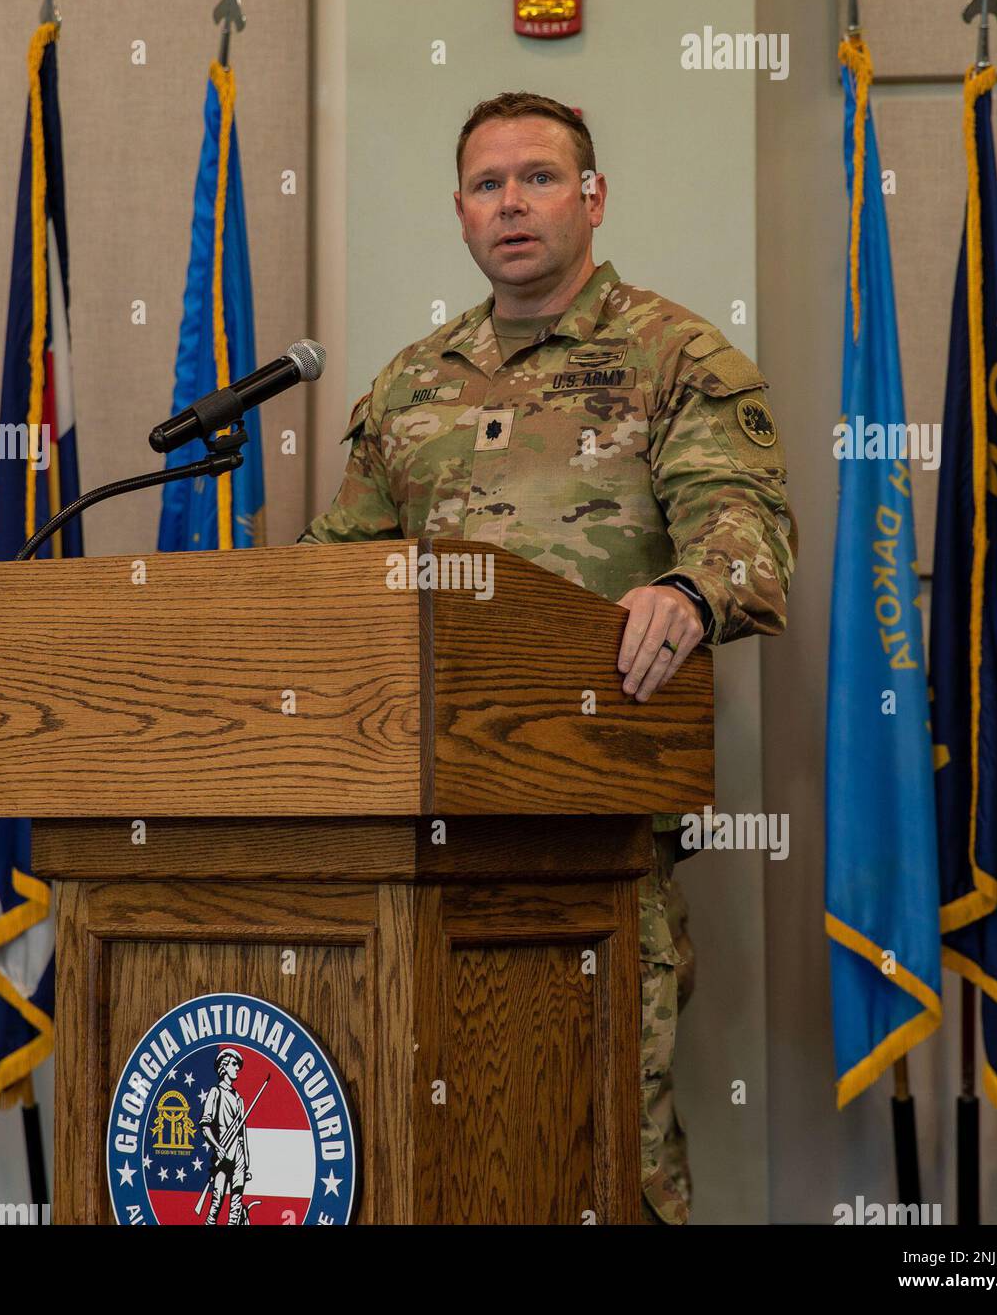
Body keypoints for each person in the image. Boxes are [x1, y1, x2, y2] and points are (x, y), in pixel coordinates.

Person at [298, 91, 795, 1223]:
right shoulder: (409, 384)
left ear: (593, 197)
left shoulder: (676, 355)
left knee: (605, 1156)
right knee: (439, 1158)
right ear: (460, 213)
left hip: (595, 836)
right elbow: (337, 576)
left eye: (538, 177)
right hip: (416, 849)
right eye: (487, 183)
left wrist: (684, 587)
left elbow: (745, 527)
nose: (511, 202)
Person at [201, 1046, 251, 1225]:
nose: (237, 1068)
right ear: (224, 1067)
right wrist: (217, 1147)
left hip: (238, 1155)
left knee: (236, 1203)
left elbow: (243, 1133)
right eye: (234, 1064)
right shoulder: (215, 1093)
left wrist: (246, 1161)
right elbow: (205, 1126)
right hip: (223, 1153)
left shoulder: (239, 1099)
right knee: (217, 1200)